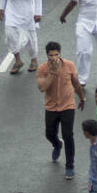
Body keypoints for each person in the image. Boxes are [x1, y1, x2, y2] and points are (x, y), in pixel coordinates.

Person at [36, 40, 85, 180]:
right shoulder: (42, 69)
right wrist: (53, 72)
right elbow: (42, 88)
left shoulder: (69, 65)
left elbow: (76, 83)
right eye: (51, 55)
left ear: (60, 54)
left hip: (67, 105)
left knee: (68, 135)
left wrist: (82, 98)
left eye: (56, 54)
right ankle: (57, 144)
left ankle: (70, 166)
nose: (54, 58)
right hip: (51, 107)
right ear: (47, 56)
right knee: (49, 133)